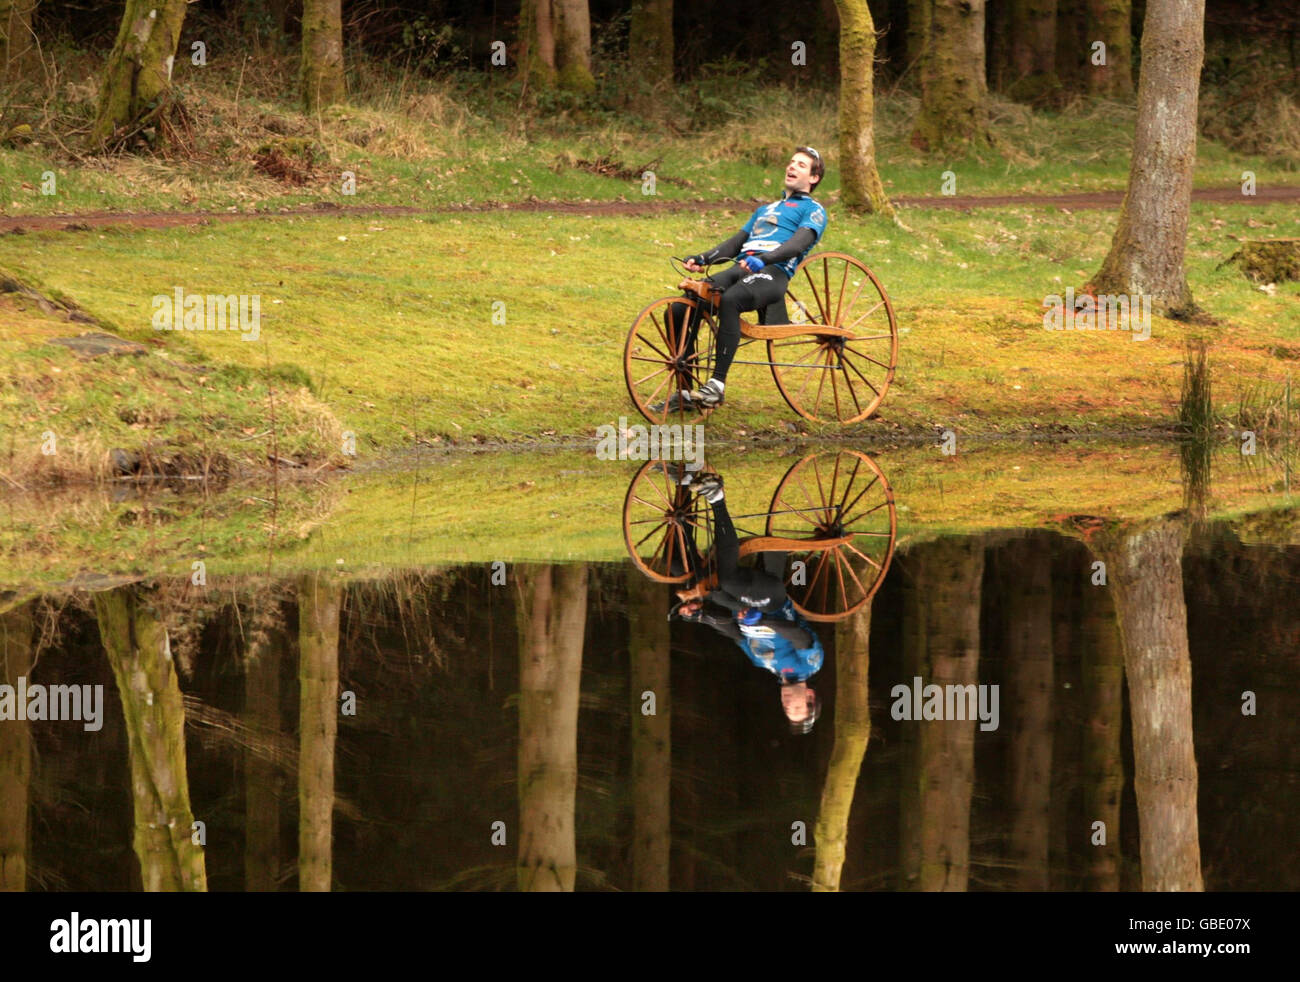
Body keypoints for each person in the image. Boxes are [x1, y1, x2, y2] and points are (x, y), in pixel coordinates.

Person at [654, 146, 828, 415]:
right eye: (791, 162)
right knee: (681, 308)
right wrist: (702, 258)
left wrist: (765, 258)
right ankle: (686, 392)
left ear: (814, 178)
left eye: (801, 165)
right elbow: (735, 243)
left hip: (773, 272)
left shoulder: (814, 211)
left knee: (731, 300)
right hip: (742, 266)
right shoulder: (765, 209)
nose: (792, 167)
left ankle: (716, 385)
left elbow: (797, 244)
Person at [671, 470, 825, 734]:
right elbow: (798, 635)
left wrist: (701, 616)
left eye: (788, 710)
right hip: (771, 601)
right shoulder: (809, 665)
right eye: (797, 708)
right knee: (728, 580)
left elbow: (734, 631)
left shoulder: (762, 663)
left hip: (742, 604)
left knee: (680, 570)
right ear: (810, 697)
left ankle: (685, 493)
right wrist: (763, 619)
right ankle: (717, 498)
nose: (789, 705)